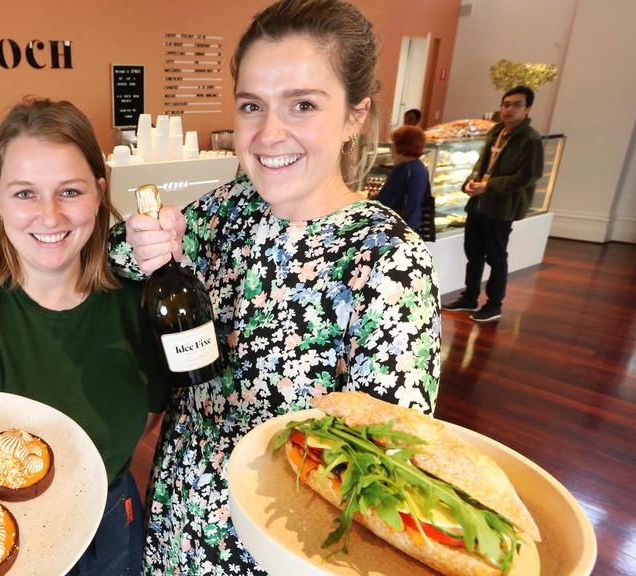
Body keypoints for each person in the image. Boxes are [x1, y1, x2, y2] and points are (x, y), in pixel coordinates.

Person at [109, 1, 441, 573]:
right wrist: (144, 235)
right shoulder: (224, 212)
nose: (268, 134)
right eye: (251, 106)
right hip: (180, 514)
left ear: (355, 118)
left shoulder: (389, 261)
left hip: (280, 544)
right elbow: (118, 254)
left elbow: (386, 466)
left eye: (303, 105)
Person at [0, 98, 168, 575]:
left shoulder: (138, 298)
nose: (50, 217)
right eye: (25, 193)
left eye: (70, 192)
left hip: (112, 514)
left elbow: (153, 412)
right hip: (4, 532)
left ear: (100, 193)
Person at [443, 86, 543, 322]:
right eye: (505, 104)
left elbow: (529, 175)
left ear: (527, 109)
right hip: (479, 203)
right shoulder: (496, 131)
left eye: (516, 105)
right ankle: (469, 297)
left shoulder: (530, 139)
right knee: (473, 253)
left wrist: (490, 186)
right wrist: (470, 183)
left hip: (502, 207)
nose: (509, 109)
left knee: (496, 256)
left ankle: (494, 303)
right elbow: (480, 166)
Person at [375, 125, 431, 236]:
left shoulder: (403, 170)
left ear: (401, 146)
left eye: (393, 143)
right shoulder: (420, 166)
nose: (391, 147)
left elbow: (385, 201)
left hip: (398, 226)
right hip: (414, 223)